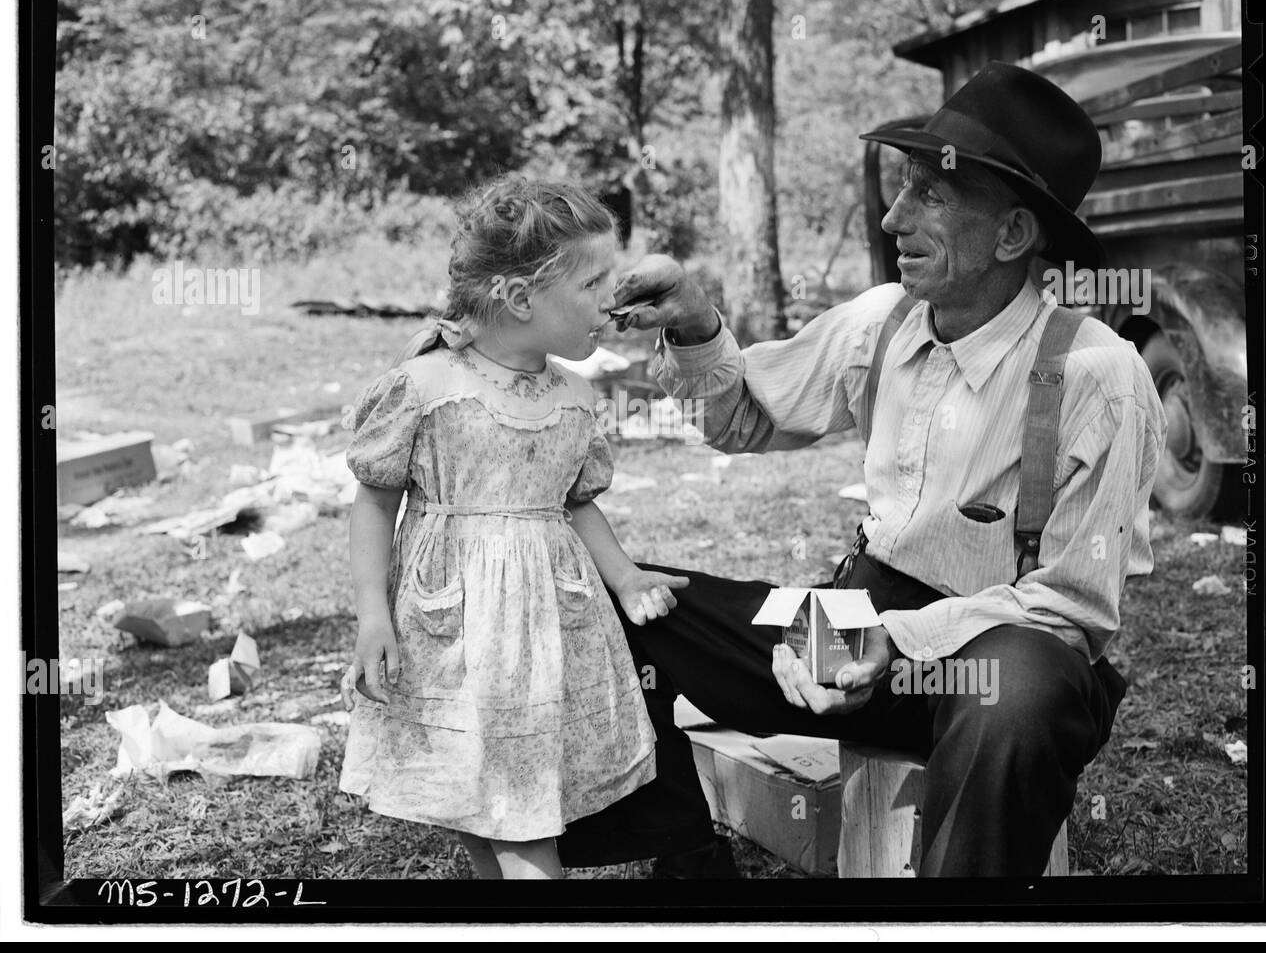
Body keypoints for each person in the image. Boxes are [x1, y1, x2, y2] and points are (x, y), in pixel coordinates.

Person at [556, 62, 1169, 878]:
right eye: (903, 188)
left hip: (999, 651)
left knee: (1014, 688)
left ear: (1014, 235)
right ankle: (691, 865)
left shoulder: (1100, 374)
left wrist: (899, 641)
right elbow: (746, 419)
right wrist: (699, 319)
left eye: (930, 195)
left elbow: (1073, 608)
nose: (892, 216)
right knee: (617, 596)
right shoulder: (885, 322)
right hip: (858, 619)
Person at [338, 175, 689, 880]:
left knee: (519, 804)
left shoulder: (574, 396)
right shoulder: (428, 387)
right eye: (593, 285)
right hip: (453, 629)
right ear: (521, 298)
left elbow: (573, 499)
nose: (610, 301)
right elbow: (374, 501)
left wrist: (624, 574)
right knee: (483, 798)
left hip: (545, 629)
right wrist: (372, 615)